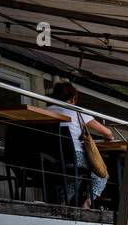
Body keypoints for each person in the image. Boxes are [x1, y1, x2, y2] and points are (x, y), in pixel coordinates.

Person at [46, 81, 113, 209]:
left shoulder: (47, 110)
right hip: (75, 156)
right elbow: (107, 132)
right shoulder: (76, 111)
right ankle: (87, 203)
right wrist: (109, 137)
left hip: (53, 159)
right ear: (72, 99)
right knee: (101, 175)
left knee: (74, 177)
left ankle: (63, 204)